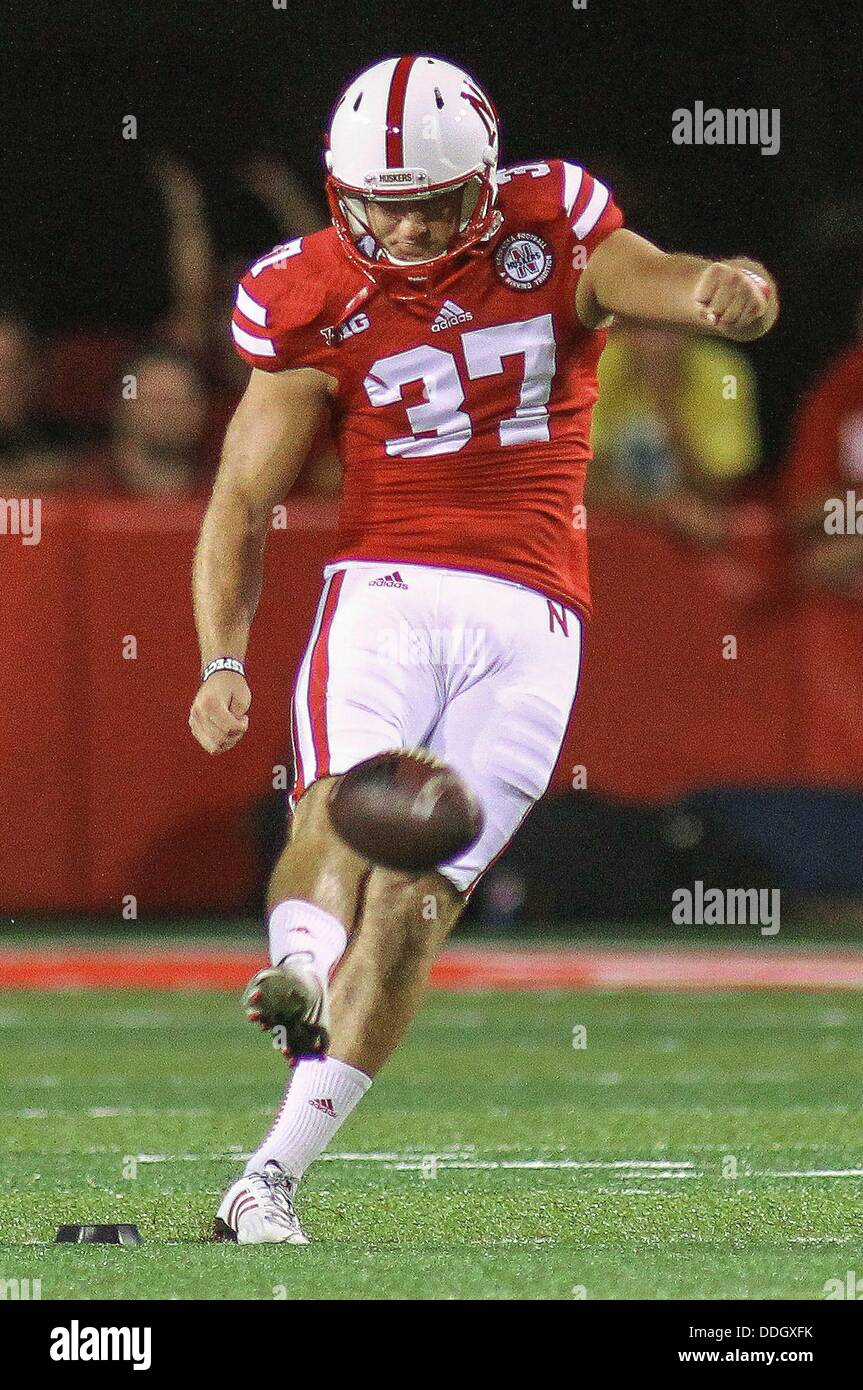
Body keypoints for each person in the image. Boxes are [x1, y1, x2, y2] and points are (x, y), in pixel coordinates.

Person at [188, 55, 777, 1244]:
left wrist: (726, 284)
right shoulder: (307, 293)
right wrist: (219, 657)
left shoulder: (549, 221)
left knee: (415, 906)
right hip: (387, 583)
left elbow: (653, 279)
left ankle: (268, 1179)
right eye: (380, 201)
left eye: (430, 201)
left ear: (485, 175)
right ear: (339, 189)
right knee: (345, 803)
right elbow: (240, 497)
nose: (404, 225)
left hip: (533, 609)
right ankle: (297, 966)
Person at [588, 321, 762, 549]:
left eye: (668, 326)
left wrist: (666, 404)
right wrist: (658, 508)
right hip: (616, 519)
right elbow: (580, 475)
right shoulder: (598, 361)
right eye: (643, 325)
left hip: (695, 523)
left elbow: (723, 486)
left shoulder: (725, 373)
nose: (656, 341)